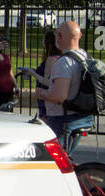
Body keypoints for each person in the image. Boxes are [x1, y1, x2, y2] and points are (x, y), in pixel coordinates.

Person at [34, 20, 92, 149]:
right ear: (80, 36)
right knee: (65, 159)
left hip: (62, 119)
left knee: (48, 160)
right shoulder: (86, 56)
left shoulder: (64, 62)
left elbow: (59, 96)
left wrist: (41, 94)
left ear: (59, 36)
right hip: (82, 116)